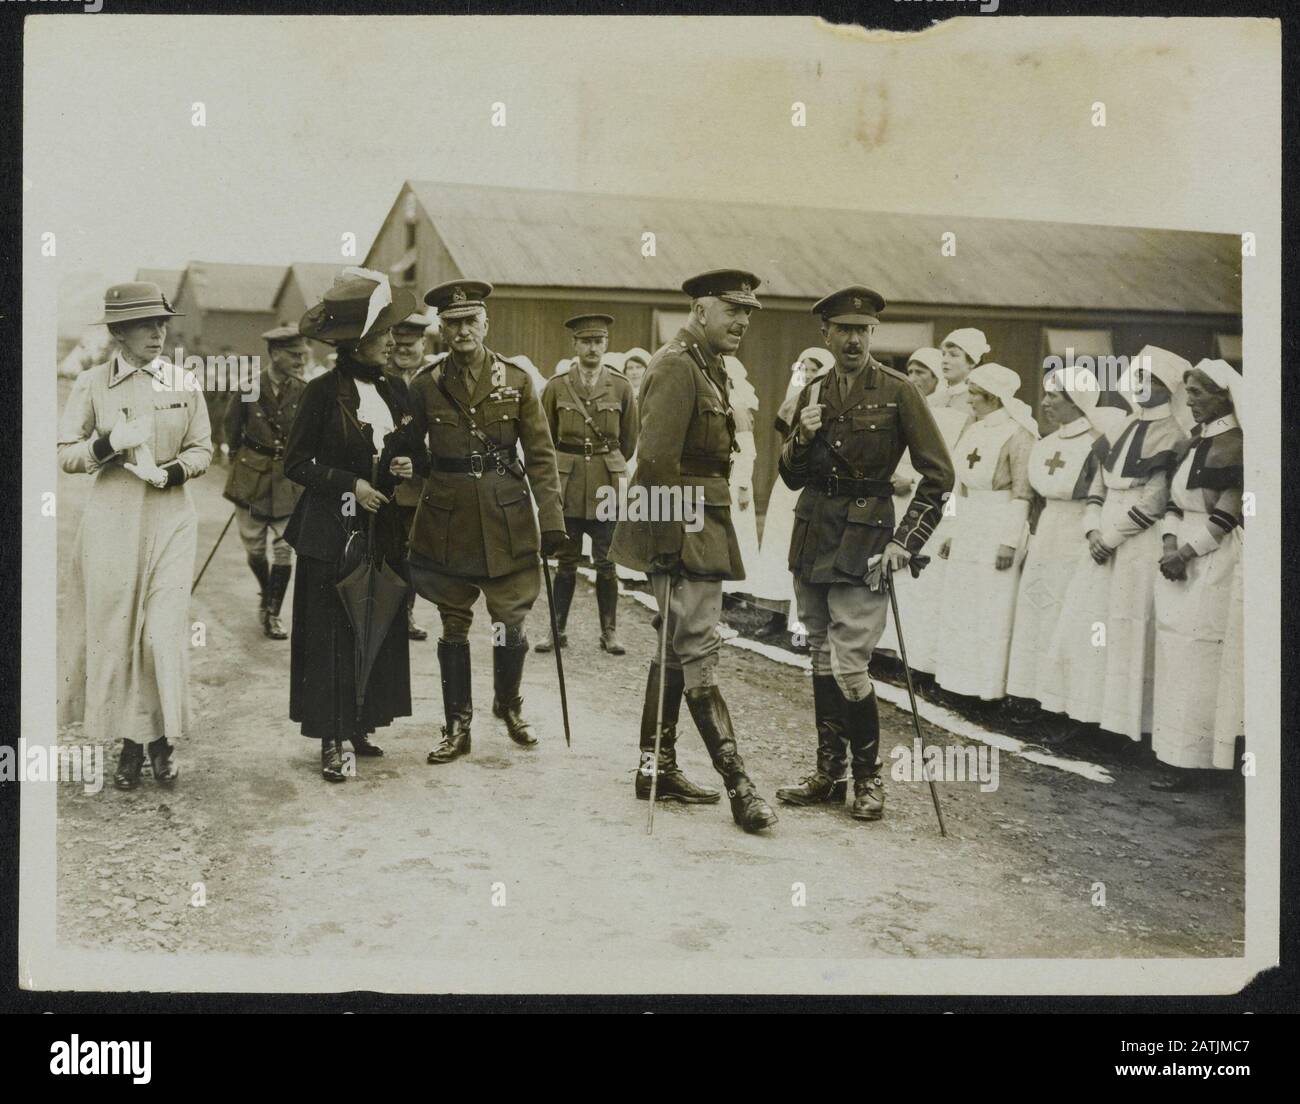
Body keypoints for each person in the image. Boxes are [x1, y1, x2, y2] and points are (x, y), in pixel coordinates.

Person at [772, 288, 954, 821]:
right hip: (812, 537)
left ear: (873, 334)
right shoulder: (811, 390)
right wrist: (800, 441)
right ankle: (829, 775)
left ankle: (869, 782)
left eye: (863, 330)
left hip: (866, 542)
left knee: (851, 666)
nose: (853, 339)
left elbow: (939, 476)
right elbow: (789, 477)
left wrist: (905, 542)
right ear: (825, 334)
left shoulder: (898, 392)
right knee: (822, 655)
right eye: (843, 330)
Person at [610, 268, 777, 833]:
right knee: (699, 646)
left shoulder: (710, 366)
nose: (743, 321)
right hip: (680, 527)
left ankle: (654, 768)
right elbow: (654, 463)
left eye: (749, 313)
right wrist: (663, 547)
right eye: (733, 310)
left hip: (701, 520)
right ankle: (740, 785)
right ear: (701, 310)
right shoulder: (676, 365)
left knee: (677, 649)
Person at [58, 281, 213, 789]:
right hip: (112, 522)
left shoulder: (182, 382)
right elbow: (66, 454)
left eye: (162, 322)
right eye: (147, 323)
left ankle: (160, 740)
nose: (159, 332)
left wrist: (173, 473)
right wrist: (106, 443)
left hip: (169, 518)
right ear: (119, 332)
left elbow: (202, 449)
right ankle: (133, 745)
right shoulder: (92, 384)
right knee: (120, 633)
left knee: (158, 636)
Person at [407, 279, 567, 763]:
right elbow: (411, 456)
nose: (462, 331)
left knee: (509, 619)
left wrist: (554, 520)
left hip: (505, 516)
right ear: (442, 327)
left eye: (470, 321)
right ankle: (457, 723)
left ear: (485, 323)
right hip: (448, 516)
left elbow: (540, 456)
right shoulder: (425, 384)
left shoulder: (517, 381)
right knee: (453, 622)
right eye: (452, 323)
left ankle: (509, 704)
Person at [284, 269, 425, 782]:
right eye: (383, 334)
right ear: (358, 342)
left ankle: (362, 721)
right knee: (332, 630)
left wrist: (408, 467)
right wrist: (349, 484)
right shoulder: (323, 392)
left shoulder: (395, 390)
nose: (393, 342)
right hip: (331, 531)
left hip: (381, 528)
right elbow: (296, 464)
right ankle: (331, 735)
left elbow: (408, 452)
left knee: (378, 620)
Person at [1081, 346, 1191, 742]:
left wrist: (1110, 537)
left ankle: (1124, 726)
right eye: (1139, 378)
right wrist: (1092, 528)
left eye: (1152, 381)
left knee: (1128, 625)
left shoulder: (1175, 434)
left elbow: (1156, 499)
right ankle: (1087, 712)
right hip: (1103, 530)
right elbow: (1099, 482)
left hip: (1136, 539)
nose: (1142, 386)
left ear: (1169, 389)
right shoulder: (1123, 426)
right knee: (1095, 622)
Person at [1150, 359, 1244, 790]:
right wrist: (1169, 545)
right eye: (1187, 393)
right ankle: (1169, 751)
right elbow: (1171, 500)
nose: (1191, 401)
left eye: (1199, 394)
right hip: (1178, 551)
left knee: (1201, 655)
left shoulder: (1236, 444)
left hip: (1213, 555)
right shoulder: (1192, 441)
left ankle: (1198, 760)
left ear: (1224, 396)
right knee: (1173, 651)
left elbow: (1228, 512)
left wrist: (1186, 552)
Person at [1003, 367, 1113, 721]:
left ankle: (1063, 705)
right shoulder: (1046, 443)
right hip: (1047, 528)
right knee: (1036, 609)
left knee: (1067, 613)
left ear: (1077, 401)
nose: (1046, 401)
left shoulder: (1098, 443)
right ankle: (1030, 694)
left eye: (1055, 395)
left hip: (1077, 531)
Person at [932, 363, 1037, 702]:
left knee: (990, 608)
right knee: (959, 604)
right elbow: (958, 486)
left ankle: (985, 689)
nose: (970, 402)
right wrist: (950, 531)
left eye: (974, 395)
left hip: (997, 522)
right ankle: (954, 683)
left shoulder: (1018, 435)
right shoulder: (973, 430)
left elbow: (1022, 493)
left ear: (992, 397)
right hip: (969, 523)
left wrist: (1010, 541)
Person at [538, 313, 639, 654]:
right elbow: (545, 438)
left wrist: (606, 462)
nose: (592, 348)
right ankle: (557, 631)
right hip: (567, 486)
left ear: (606, 345)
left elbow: (629, 441)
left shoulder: (621, 387)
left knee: (606, 564)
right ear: (575, 345)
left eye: (598, 342)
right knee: (566, 563)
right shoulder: (556, 386)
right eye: (586, 342)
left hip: (605, 485)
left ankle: (609, 633)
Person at [874, 346, 968, 675]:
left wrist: (912, 481)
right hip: (897, 496)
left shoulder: (959, 412)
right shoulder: (916, 405)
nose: (913, 378)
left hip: (929, 499)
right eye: (909, 371)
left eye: (920, 373)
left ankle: (914, 659)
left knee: (919, 578)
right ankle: (883, 648)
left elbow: (947, 465)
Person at [223, 323, 309, 639]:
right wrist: (239, 466)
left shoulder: (304, 389)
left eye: (303, 355)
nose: (301, 361)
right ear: (274, 354)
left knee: (286, 548)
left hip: (288, 480)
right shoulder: (248, 387)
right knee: (256, 550)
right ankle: (265, 589)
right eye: (295, 355)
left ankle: (273, 612)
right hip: (251, 478)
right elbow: (231, 430)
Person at [747, 347, 834, 631]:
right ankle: (777, 613)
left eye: (814, 370)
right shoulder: (792, 402)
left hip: (812, 483)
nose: (808, 375)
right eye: (804, 369)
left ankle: (803, 619)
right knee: (779, 543)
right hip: (789, 482)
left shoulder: (826, 401)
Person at [386, 309, 439, 641]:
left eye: (411, 344)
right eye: (399, 344)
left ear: (423, 343)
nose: (404, 351)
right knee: (384, 548)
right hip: (385, 479)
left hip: (423, 480)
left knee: (412, 551)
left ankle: (404, 614)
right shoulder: (379, 377)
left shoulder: (436, 378)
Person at [722, 355, 761, 595]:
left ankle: (739, 586)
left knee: (737, 529)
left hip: (736, 479)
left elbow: (747, 449)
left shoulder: (737, 407)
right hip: (722, 476)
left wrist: (744, 486)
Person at [931, 327, 990, 416]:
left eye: (953, 355)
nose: (944, 360)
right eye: (943, 354)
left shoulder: (980, 400)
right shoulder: (936, 398)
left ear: (972, 362)